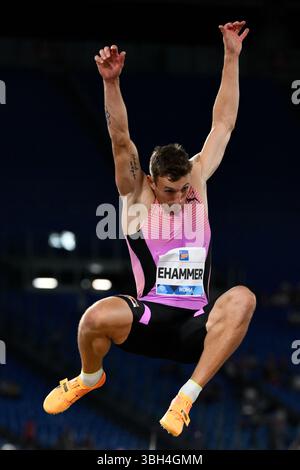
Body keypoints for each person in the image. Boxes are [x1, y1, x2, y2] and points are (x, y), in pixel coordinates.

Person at [43, 21, 256, 437]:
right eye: (169, 191)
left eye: (182, 190)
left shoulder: (196, 181)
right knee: (92, 319)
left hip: (196, 322)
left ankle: (184, 399)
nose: (178, 198)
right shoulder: (135, 193)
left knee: (243, 299)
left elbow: (223, 124)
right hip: (148, 317)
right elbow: (121, 138)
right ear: (153, 181)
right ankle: (89, 378)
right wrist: (111, 82)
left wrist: (231, 56)